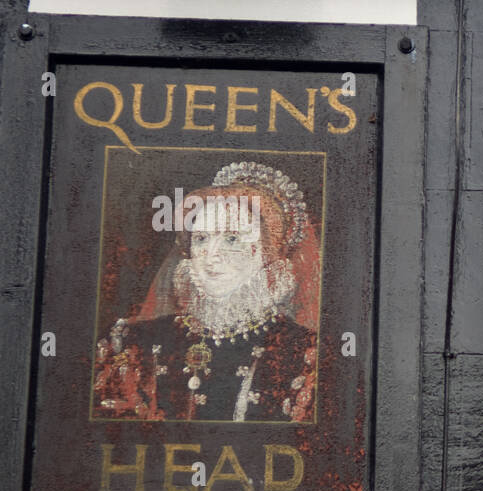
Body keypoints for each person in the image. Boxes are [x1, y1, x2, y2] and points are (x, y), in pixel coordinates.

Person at [93, 162, 320, 422]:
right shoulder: (132, 343)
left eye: (232, 239)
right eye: (201, 239)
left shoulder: (305, 352)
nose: (211, 255)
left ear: (266, 253)